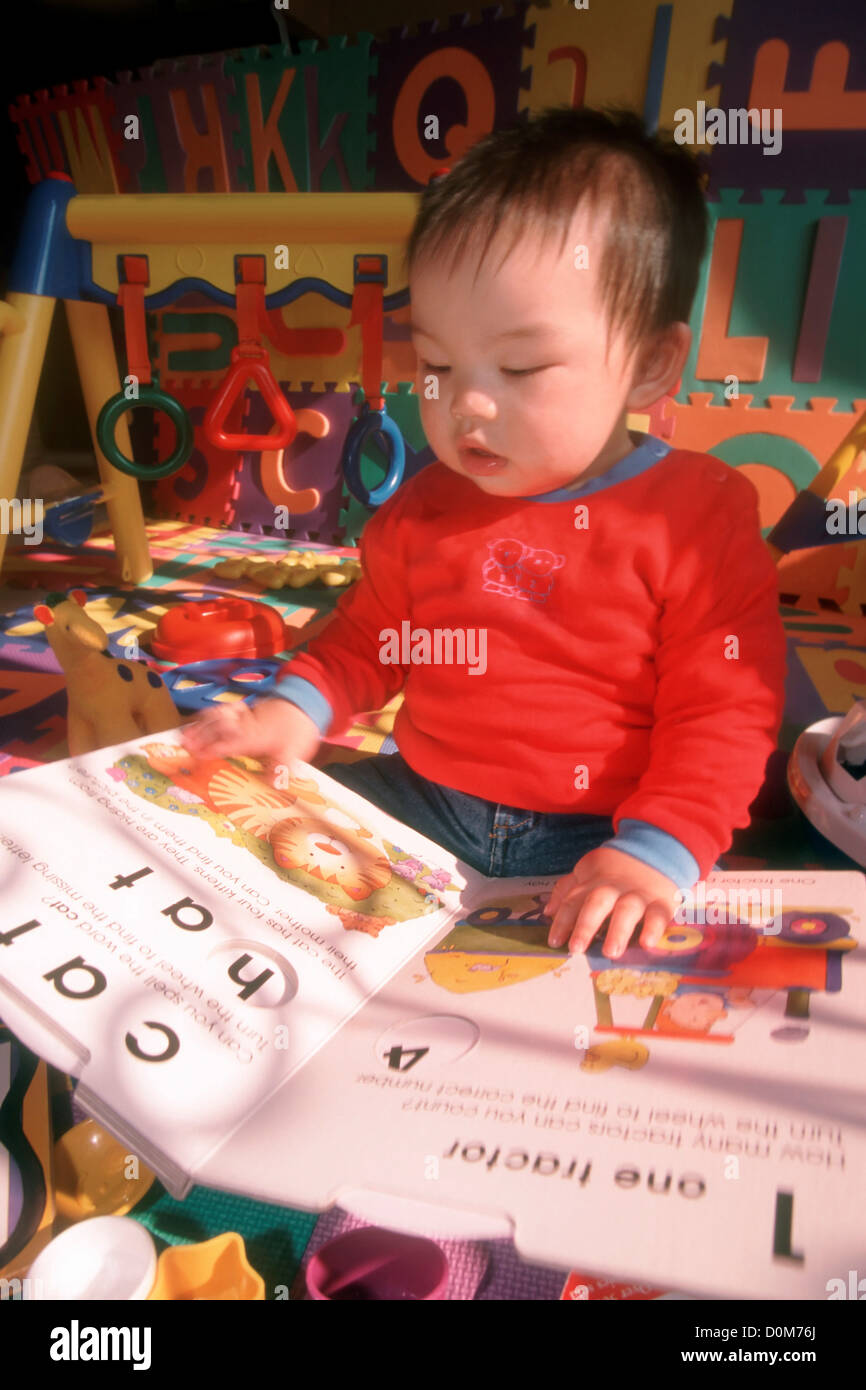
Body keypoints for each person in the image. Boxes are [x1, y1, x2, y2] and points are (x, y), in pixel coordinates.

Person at [181, 106, 787, 961]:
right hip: (419, 801)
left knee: (645, 955)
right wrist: (292, 711)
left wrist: (657, 851)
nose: (465, 403)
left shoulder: (694, 517)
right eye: (437, 364)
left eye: (522, 367)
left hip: (604, 835)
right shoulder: (429, 506)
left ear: (650, 364)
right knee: (232, 838)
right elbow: (366, 638)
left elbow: (723, 710)